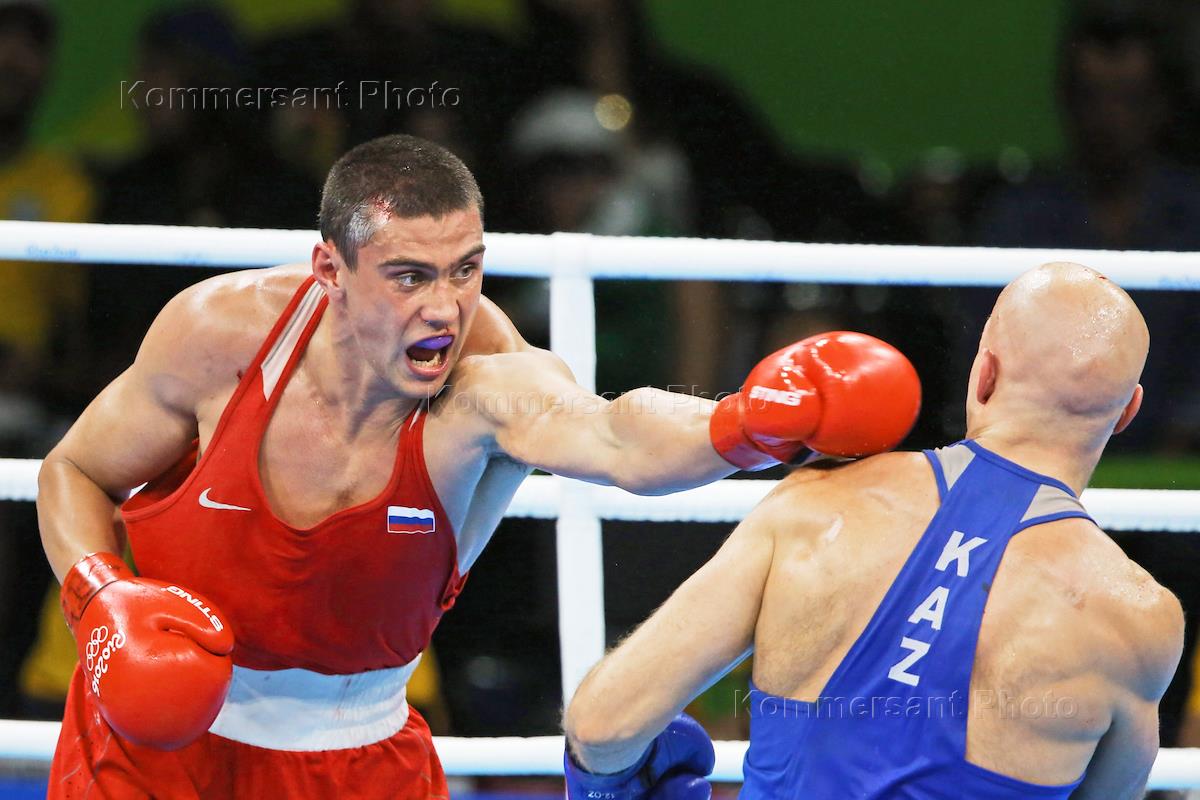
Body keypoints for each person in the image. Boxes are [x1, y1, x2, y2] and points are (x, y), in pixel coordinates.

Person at [37, 134, 921, 798]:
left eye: (465, 270)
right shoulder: (220, 336)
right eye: (409, 275)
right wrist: (101, 598)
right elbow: (71, 473)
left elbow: (614, 436)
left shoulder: (486, 382)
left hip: (354, 765)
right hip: (143, 749)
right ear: (329, 269)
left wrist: (744, 426)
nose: (445, 308)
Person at [563, 262, 1185, 799]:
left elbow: (601, 726)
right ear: (1127, 411)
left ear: (984, 374)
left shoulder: (818, 503)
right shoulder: (1139, 618)